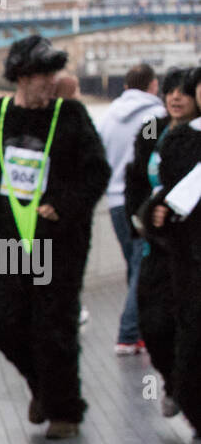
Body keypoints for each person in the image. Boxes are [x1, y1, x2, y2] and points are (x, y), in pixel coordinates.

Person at [0, 35, 111, 439]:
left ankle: (65, 411)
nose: (52, 81)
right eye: (44, 74)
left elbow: (97, 172)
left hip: (57, 243)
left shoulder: (72, 115)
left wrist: (62, 204)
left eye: (54, 73)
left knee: (55, 326)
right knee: (6, 324)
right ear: (22, 77)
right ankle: (43, 389)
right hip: (7, 243)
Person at [126, 66, 198, 418]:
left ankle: (188, 392)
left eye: (183, 91)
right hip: (154, 242)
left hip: (187, 245)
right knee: (152, 323)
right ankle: (172, 381)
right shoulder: (154, 129)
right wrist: (138, 219)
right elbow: (136, 175)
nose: (175, 97)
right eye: (169, 90)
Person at [97, 63, 165, 355]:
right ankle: (128, 333)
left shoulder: (107, 117)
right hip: (142, 199)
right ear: (153, 86)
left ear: (125, 87)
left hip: (114, 202)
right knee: (142, 266)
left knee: (133, 263)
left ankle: (138, 332)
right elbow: (153, 155)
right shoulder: (155, 116)